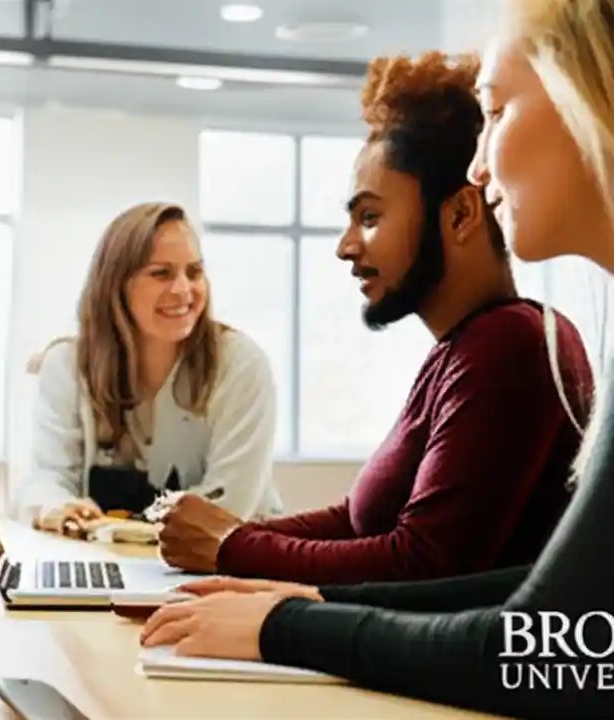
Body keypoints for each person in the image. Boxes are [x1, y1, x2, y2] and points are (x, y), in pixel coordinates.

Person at [142, 5, 614, 715]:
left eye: (497, 112)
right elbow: (538, 595)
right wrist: (288, 589)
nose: (482, 169)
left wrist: (279, 604)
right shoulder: (472, 346)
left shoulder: (511, 342)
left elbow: (543, 638)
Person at [155, 52, 593, 585]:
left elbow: (423, 561)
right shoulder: (466, 345)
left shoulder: (508, 343)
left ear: (459, 215)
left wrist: (233, 547)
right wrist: (229, 535)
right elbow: (359, 520)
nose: (345, 247)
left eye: (370, 217)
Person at [16, 202, 282, 532]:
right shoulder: (66, 365)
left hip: (221, 569)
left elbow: (229, 507)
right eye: (161, 273)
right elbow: (46, 478)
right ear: (115, 285)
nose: (184, 290)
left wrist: (119, 529)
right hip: (104, 564)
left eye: (195, 272)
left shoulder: (241, 364)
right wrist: (57, 506)